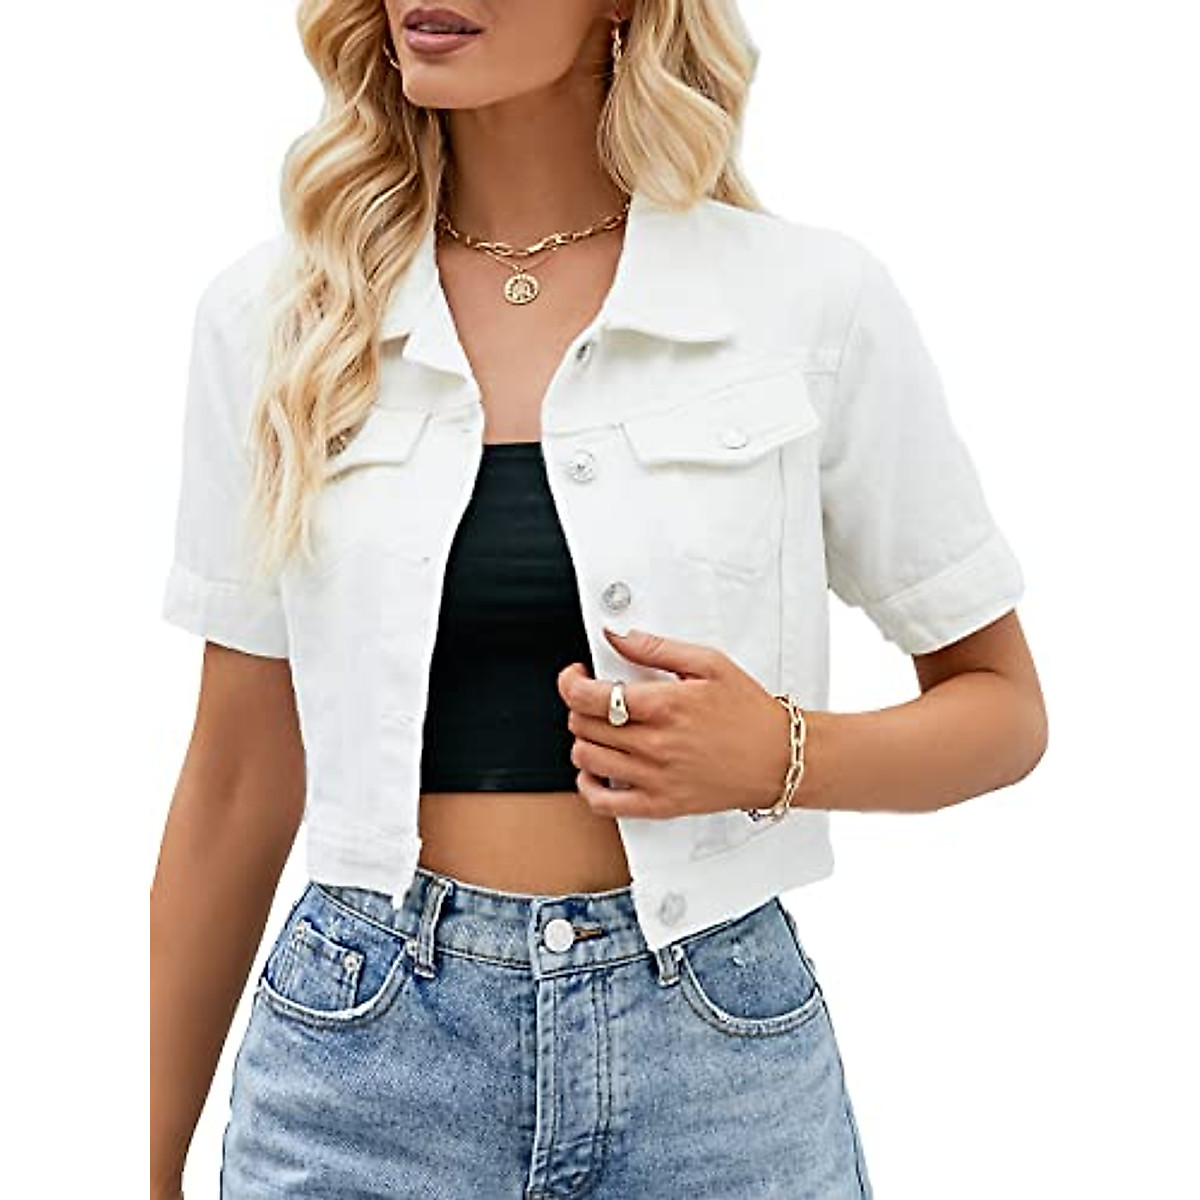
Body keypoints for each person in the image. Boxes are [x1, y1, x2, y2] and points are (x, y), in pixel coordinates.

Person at [150, 2, 1048, 1196]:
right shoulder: (278, 320)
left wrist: (778, 754)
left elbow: (1002, 710)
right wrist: (149, 1168)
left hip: (717, 1071)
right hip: (361, 1068)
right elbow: (235, 777)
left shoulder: (805, 303)